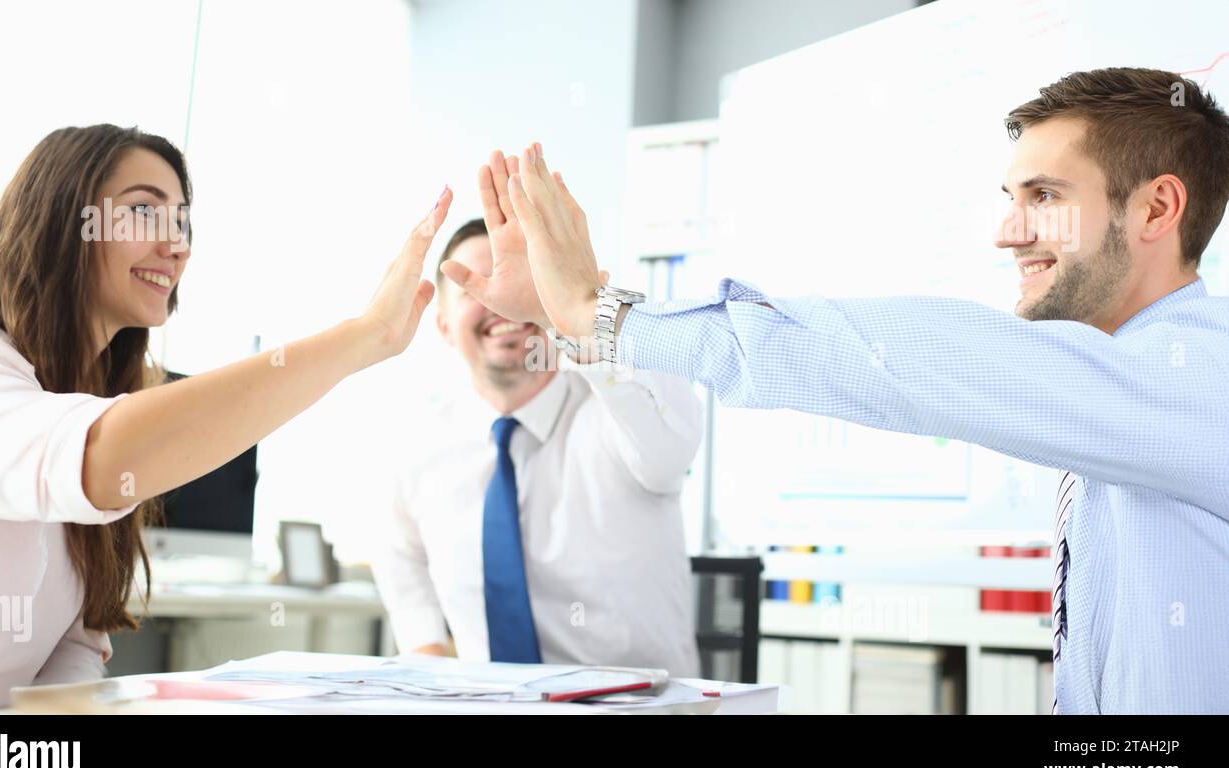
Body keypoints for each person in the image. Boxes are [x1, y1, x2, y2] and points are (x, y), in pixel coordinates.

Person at [443, 68, 1229, 714]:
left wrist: (597, 312)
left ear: (1157, 208)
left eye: (1046, 198)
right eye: (1010, 198)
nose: (1007, 232)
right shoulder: (1116, 392)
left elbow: (909, 359)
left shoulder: (1202, 380)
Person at [0, 124, 451, 711]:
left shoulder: (88, 403)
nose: (176, 244)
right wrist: (364, 337)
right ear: (61, 222)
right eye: (145, 212)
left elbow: (72, 648)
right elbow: (100, 457)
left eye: (181, 222)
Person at [372, 151, 703, 677]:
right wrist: (426, 657)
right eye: (479, 286)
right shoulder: (421, 451)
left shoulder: (620, 404)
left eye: (523, 283)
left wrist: (583, 307)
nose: (504, 303)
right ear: (441, 326)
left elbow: (673, 442)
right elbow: (399, 554)